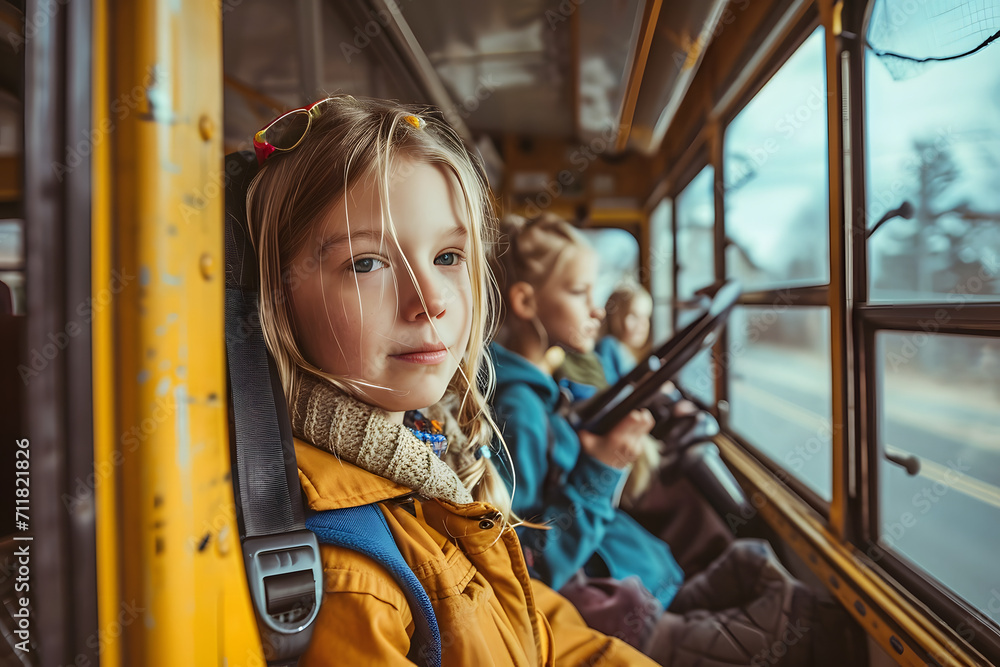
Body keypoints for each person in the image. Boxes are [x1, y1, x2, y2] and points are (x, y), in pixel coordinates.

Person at [244, 94, 655, 665]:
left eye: (449, 256)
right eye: (366, 263)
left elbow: (529, 628)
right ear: (278, 300)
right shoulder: (353, 575)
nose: (431, 301)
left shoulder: (434, 448)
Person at [490, 213, 817, 666]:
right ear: (526, 302)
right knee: (802, 630)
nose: (597, 310)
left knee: (750, 568)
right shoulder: (519, 410)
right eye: (579, 292)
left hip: (614, 567)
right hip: (584, 590)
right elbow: (525, 563)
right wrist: (602, 470)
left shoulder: (542, 385)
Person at [595, 283, 654, 382]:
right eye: (634, 316)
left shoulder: (630, 354)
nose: (643, 324)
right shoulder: (609, 345)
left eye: (646, 317)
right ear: (616, 318)